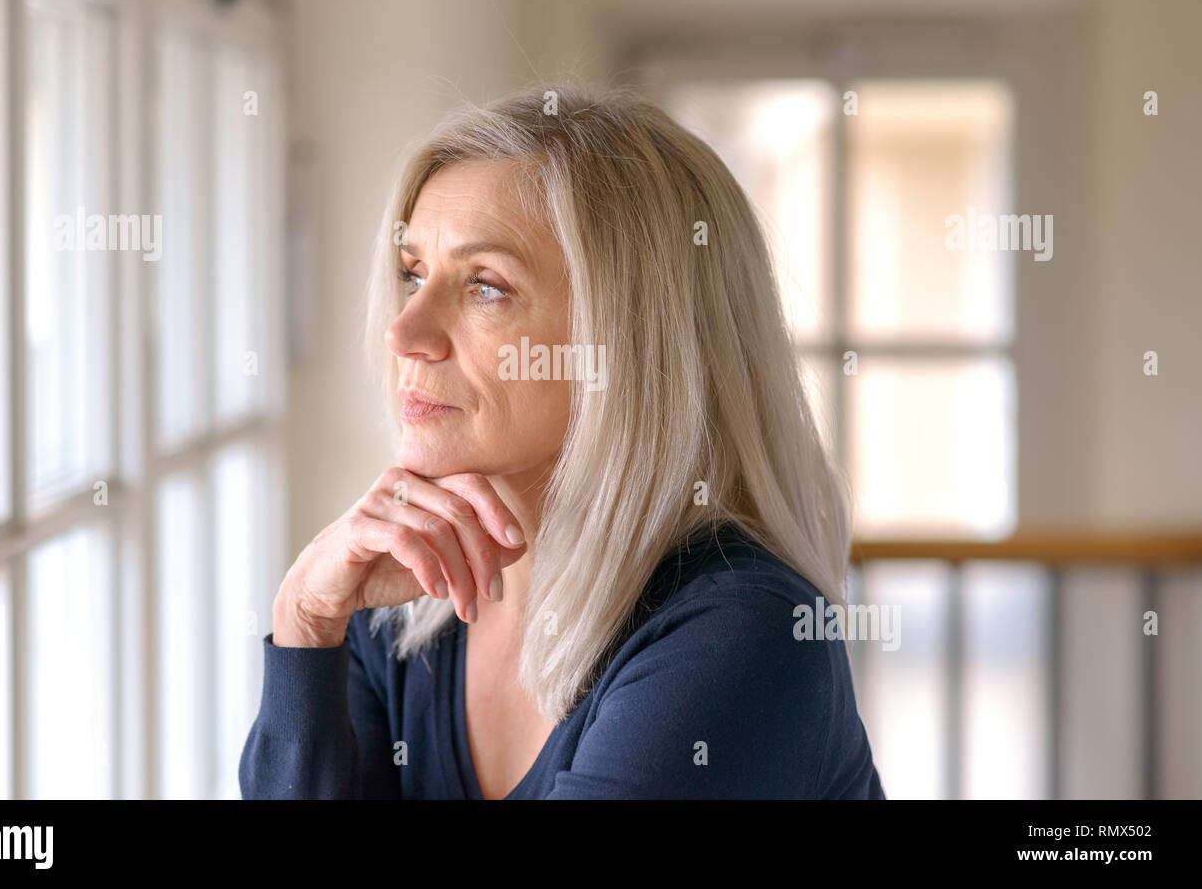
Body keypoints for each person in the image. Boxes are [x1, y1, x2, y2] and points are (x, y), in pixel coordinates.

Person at [239, 82, 885, 799]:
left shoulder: (743, 633)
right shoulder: (399, 615)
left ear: (631, 341)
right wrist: (302, 620)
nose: (404, 332)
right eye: (412, 273)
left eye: (485, 285)